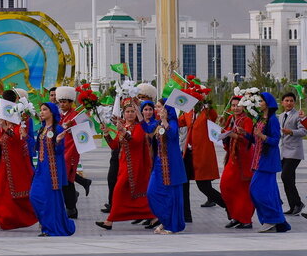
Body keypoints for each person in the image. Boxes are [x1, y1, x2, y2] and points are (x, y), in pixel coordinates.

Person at [95, 101, 155, 230]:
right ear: (124, 113)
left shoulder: (139, 127)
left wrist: (124, 132)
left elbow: (135, 142)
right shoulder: (124, 126)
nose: (130, 114)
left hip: (134, 165)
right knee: (131, 194)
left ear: (136, 113)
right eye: (127, 112)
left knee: (118, 190)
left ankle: (109, 221)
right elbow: (114, 145)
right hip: (123, 165)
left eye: (132, 111)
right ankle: (153, 216)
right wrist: (106, 133)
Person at [0, 91, 36, 231]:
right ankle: (0, 219)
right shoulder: (5, 115)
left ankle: (34, 215)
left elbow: (19, 138)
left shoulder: (22, 116)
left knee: (18, 192)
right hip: (4, 158)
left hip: (16, 160)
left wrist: (4, 126)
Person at [31, 102, 75, 237]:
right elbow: (37, 149)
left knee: (50, 199)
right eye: (41, 109)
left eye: (45, 110)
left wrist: (58, 141)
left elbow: (60, 151)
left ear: (52, 112)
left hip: (52, 170)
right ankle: (47, 225)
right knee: (34, 196)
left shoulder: (59, 129)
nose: (42, 112)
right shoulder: (42, 129)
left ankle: (50, 228)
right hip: (41, 169)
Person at [180, 92, 225, 222]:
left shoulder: (206, 112)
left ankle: (228, 206)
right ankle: (186, 215)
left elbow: (214, 115)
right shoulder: (188, 112)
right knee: (184, 185)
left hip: (202, 154)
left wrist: (206, 104)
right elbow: (179, 122)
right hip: (188, 154)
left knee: (204, 187)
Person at [144, 101, 186, 235]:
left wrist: (164, 120)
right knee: (152, 193)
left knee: (170, 196)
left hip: (171, 166)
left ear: (167, 109)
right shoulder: (157, 123)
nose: (157, 109)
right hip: (158, 165)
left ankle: (170, 225)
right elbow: (147, 128)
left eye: (159, 107)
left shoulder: (172, 121)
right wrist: (139, 112)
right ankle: (164, 220)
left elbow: (173, 134)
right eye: (156, 107)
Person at [251, 92, 292, 233]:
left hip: (267, 162)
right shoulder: (259, 118)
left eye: (261, 101)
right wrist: (242, 133)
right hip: (258, 161)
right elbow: (254, 139)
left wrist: (262, 136)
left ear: (268, 103)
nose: (259, 103)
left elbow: (275, 140)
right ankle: (275, 221)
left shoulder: (273, 120)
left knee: (257, 191)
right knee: (268, 193)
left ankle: (271, 219)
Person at [55, 86, 91, 218]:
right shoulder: (59, 115)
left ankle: (72, 209)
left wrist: (72, 126)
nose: (63, 104)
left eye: (65, 101)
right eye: (61, 101)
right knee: (64, 180)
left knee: (67, 180)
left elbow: (83, 133)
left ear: (71, 102)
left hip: (71, 150)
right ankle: (70, 206)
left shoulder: (75, 116)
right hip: (60, 150)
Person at [219, 95, 255, 229]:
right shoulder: (230, 118)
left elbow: (249, 140)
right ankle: (236, 216)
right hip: (232, 158)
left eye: (238, 105)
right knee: (226, 186)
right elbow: (226, 134)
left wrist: (234, 135)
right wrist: (223, 128)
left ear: (244, 106)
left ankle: (245, 219)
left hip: (243, 160)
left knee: (243, 190)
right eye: (233, 105)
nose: (235, 108)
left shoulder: (247, 120)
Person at [278, 92, 306, 215]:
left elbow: (303, 131)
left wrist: (291, 132)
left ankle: (298, 203)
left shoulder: (298, 115)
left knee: (285, 176)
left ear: (294, 103)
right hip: (284, 152)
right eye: (286, 100)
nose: (289, 103)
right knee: (288, 179)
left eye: (291, 101)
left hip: (294, 152)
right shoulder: (281, 115)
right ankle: (293, 206)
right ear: (282, 102)